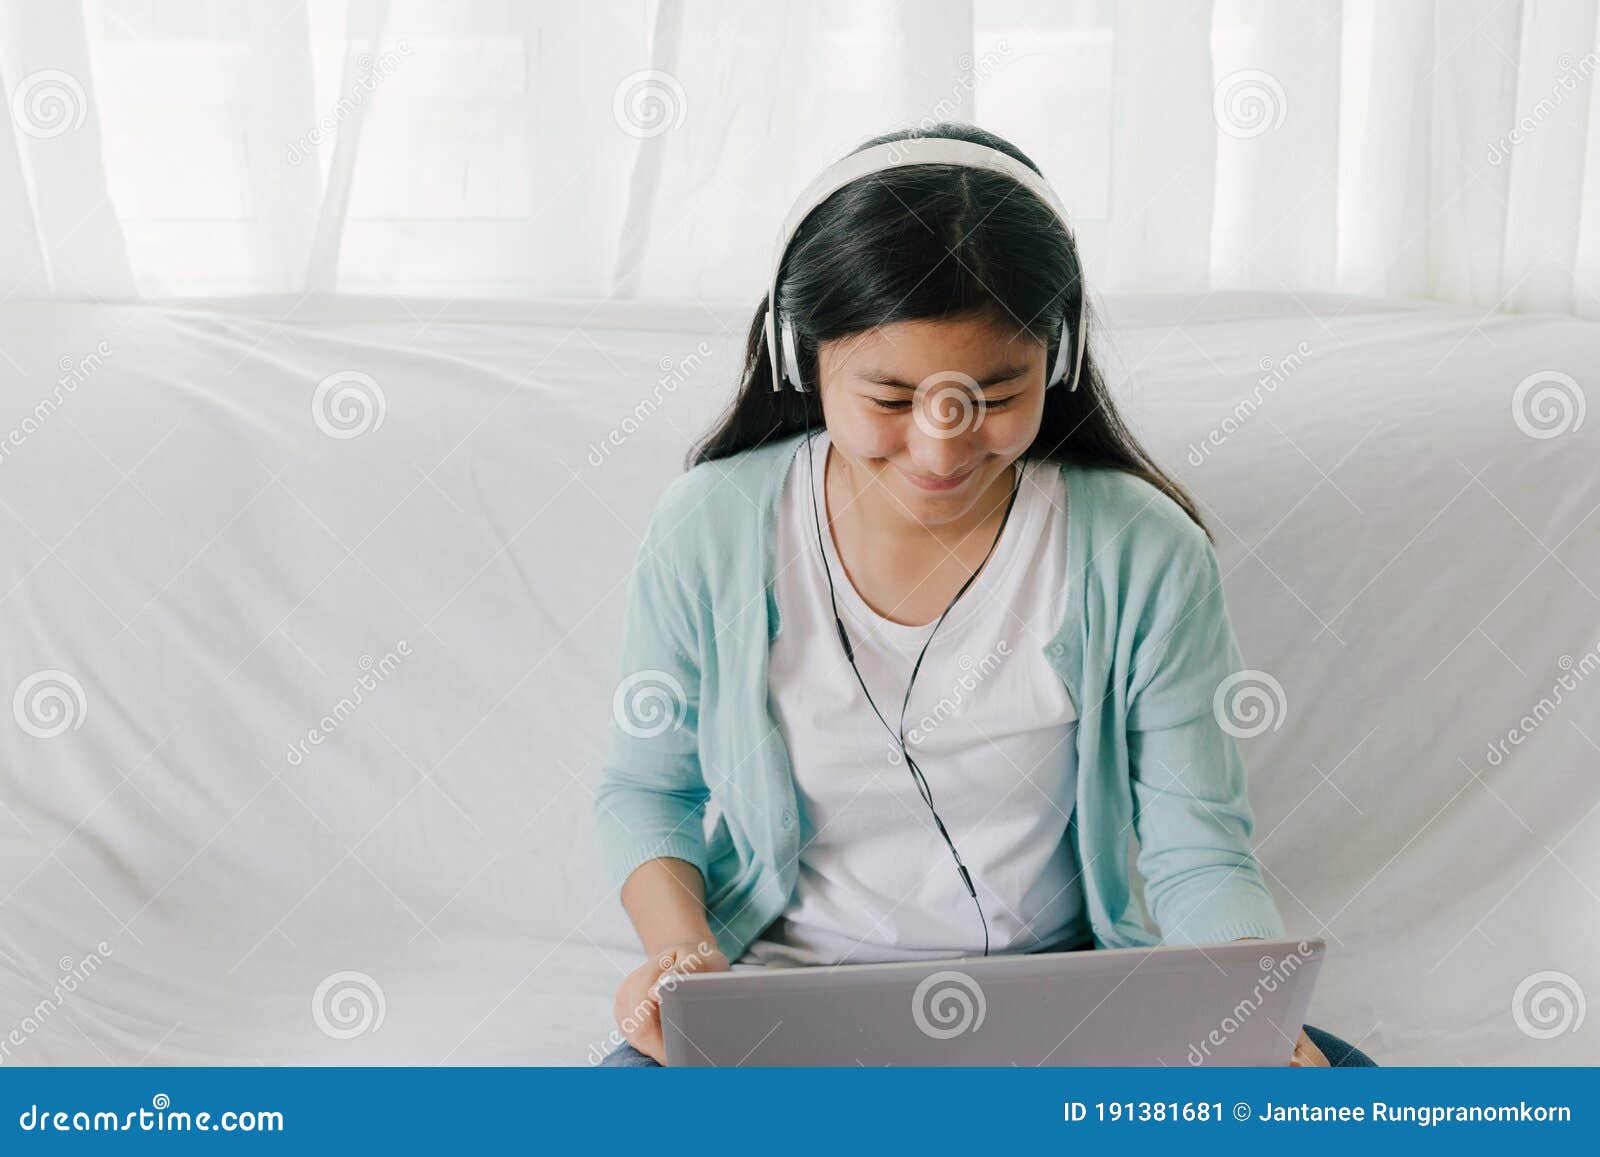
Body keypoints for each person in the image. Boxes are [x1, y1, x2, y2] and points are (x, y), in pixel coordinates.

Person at [592, 123, 1375, 1069]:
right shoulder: (709, 525)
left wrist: (1250, 1006)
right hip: (781, 1000)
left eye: (998, 393)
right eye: (889, 399)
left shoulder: (1145, 551)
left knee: (1336, 1091)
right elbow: (650, 790)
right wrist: (684, 961)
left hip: (1066, 1009)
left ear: (1063, 355)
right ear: (805, 360)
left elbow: (1197, 847)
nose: (942, 446)